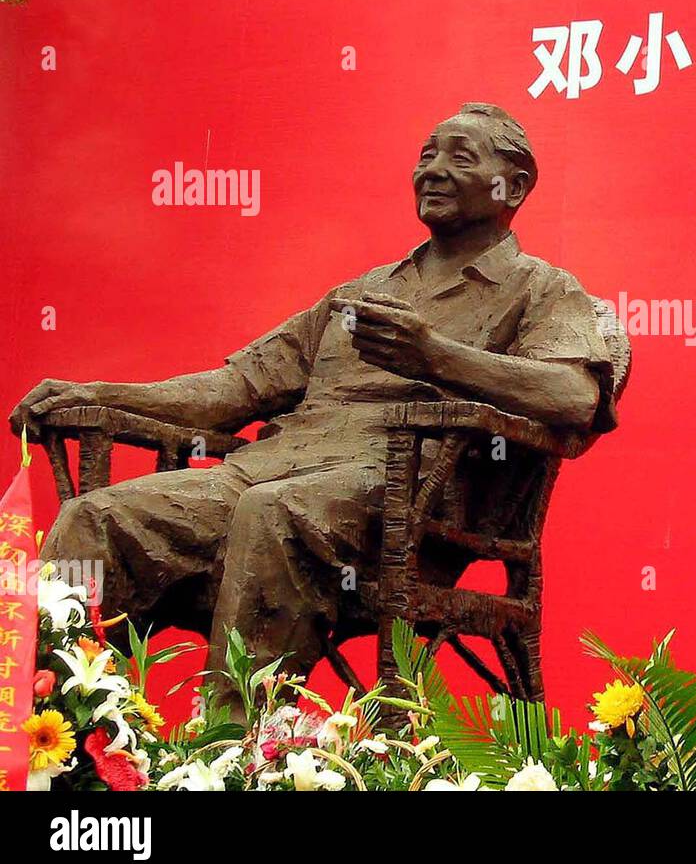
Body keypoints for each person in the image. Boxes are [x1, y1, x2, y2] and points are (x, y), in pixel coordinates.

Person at [11, 102, 616, 691]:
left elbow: (574, 396)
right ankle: (54, 729)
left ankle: (239, 750)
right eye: (426, 154)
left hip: (410, 506)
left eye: (460, 158)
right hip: (263, 473)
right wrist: (92, 393)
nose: (431, 170)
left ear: (513, 186)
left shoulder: (541, 287)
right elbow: (234, 388)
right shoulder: (362, 292)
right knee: (97, 517)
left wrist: (435, 357)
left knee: (273, 515)